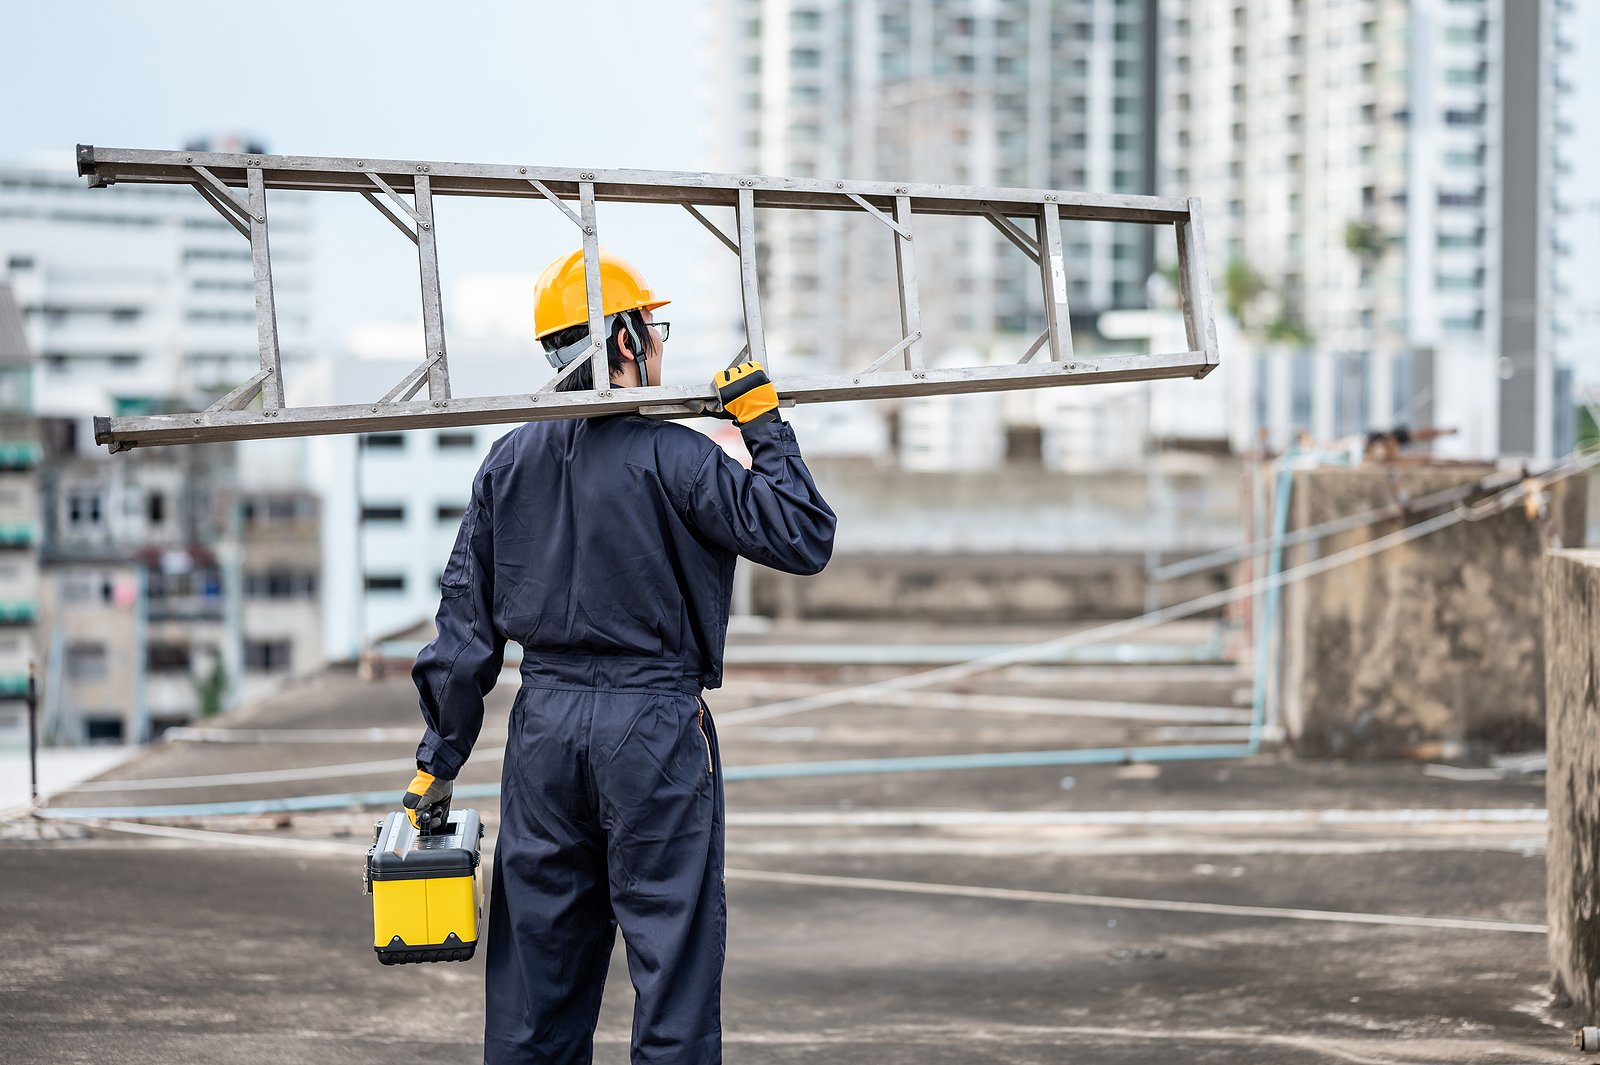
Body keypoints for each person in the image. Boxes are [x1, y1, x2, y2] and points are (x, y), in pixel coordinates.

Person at [401, 247, 837, 1064]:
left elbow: (465, 629)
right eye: (655, 329)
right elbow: (805, 535)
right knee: (671, 973)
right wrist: (764, 423)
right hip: (652, 734)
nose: (662, 348)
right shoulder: (680, 459)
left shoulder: (508, 461)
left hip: (544, 738)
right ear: (627, 339)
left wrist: (438, 759)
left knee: (537, 990)